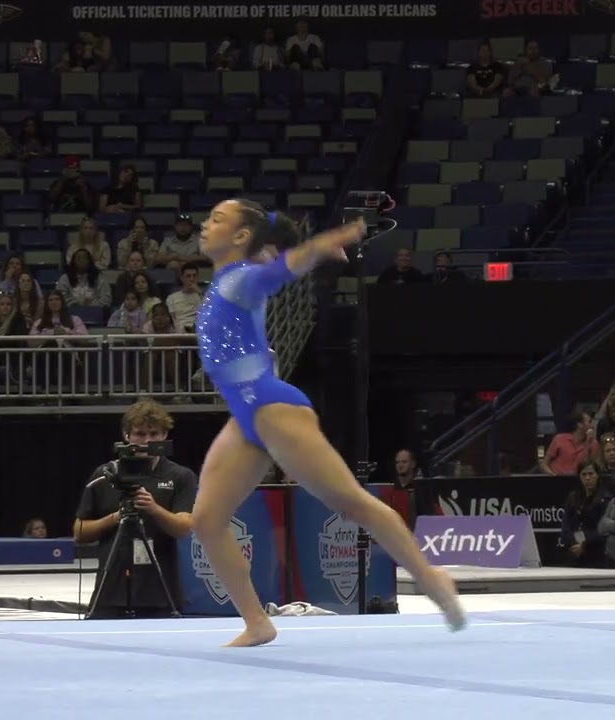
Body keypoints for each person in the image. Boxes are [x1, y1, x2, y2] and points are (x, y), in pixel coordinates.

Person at [191, 198, 465, 646]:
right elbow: (271, 258)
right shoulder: (229, 278)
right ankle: (257, 622)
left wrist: (323, 244)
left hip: (271, 407)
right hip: (246, 415)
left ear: (241, 237)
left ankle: (432, 579)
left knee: (352, 503)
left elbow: (277, 270)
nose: (205, 224)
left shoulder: (240, 279)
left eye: (216, 218)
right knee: (206, 520)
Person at [74, 399, 196, 619]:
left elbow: (184, 528)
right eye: (140, 434)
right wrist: (115, 517)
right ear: (126, 435)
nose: (146, 441)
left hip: (160, 591)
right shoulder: (104, 475)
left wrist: (153, 509)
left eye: (154, 434)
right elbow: (80, 532)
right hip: (111, 590)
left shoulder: (180, 477)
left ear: (164, 435)